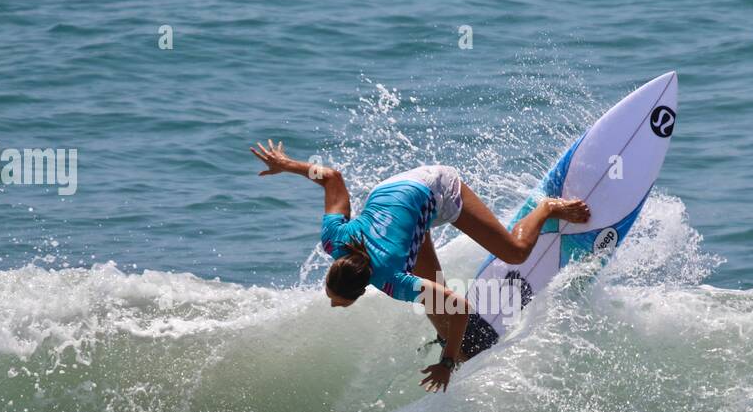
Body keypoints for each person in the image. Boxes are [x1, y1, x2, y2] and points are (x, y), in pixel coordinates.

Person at [251, 140, 589, 392]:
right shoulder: (334, 239)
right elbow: (332, 178)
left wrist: (445, 364)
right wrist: (288, 164)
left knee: (515, 253)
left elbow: (460, 308)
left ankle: (547, 209)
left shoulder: (392, 280)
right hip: (394, 195)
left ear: (363, 289)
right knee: (436, 313)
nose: (331, 303)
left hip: (434, 189)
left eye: (338, 301)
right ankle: (453, 346)